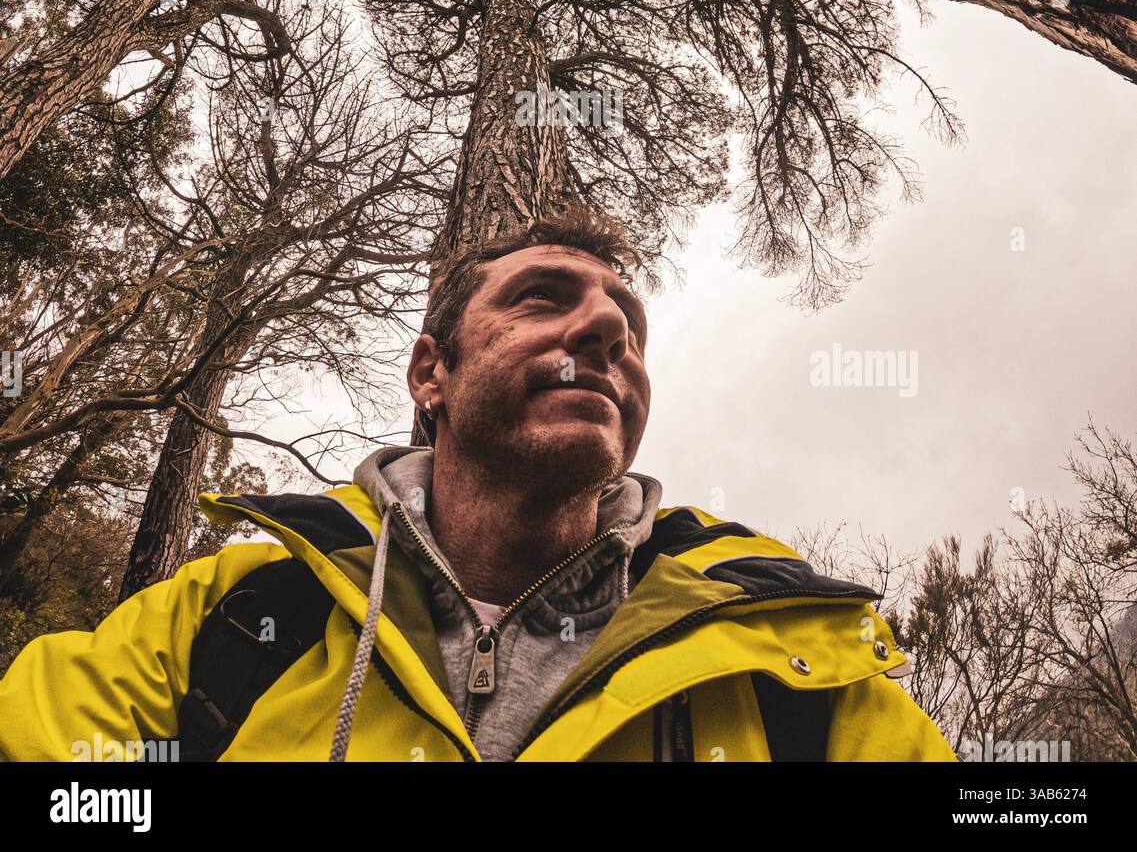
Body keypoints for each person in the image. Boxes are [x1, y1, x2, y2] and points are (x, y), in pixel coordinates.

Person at [0, 213, 956, 762]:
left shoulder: (783, 653)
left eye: (625, 321)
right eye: (542, 298)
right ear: (432, 377)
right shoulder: (240, 608)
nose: (606, 332)